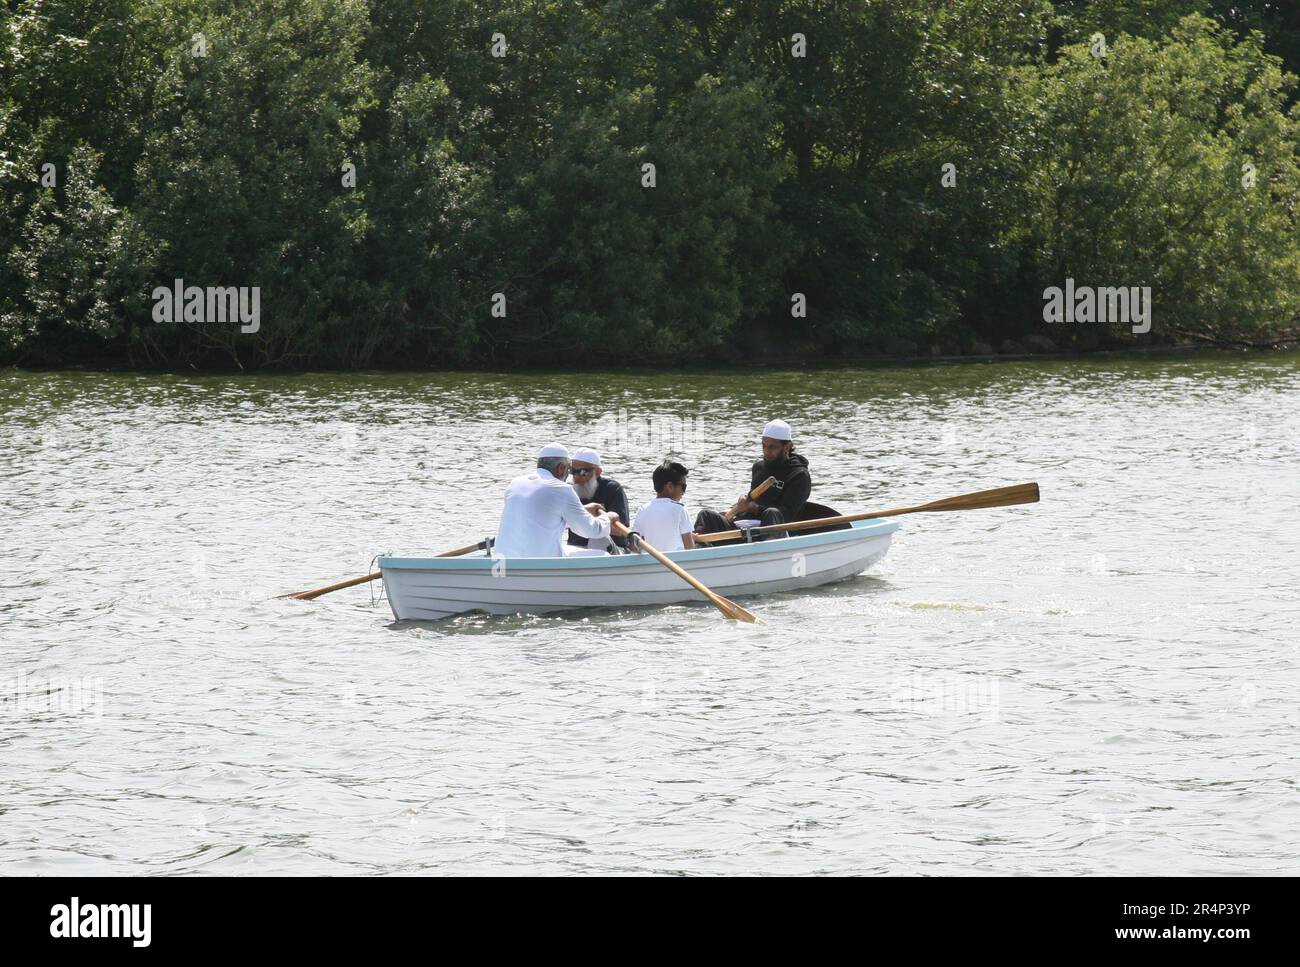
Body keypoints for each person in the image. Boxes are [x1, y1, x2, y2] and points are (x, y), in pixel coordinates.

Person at [494, 444, 620, 557]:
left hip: (505, 559)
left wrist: (584, 510)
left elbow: (543, 519)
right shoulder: (562, 489)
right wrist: (607, 518)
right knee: (602, 554)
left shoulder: (515, 483)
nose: (571, 476)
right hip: (541, 562)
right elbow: (590, 530)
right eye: (570, 470)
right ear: (561, 468)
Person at [694, 419, 811, 539]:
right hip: (748, 525)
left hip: (777, 528)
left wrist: (754, 508)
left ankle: (769, 552)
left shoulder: (799, 475)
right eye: (764, 446)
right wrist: (736, 508)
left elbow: (788, 515)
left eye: (772, 447)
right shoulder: (759, 467)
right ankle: (697, 549)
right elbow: (752, 500)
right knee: (706, 515)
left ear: (787, 446)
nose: (767, 452)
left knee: (772, 512)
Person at [565, 447, 630, 553]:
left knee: (598, 537)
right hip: (577, 551)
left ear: (598, 472)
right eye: (573, 471)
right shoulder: (569, 491)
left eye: (583, 472)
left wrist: (594, 521)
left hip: (611, 551)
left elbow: (621, 531)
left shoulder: (612, 489)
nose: (576, 477)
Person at [631, 460, 697, 551]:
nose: (684, 492)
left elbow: (634, 546)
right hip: (676, 561)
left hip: (651, 561)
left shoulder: (643, 509)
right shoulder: (679, 509)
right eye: (683, 487)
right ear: (669, 486)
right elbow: (689, 546)